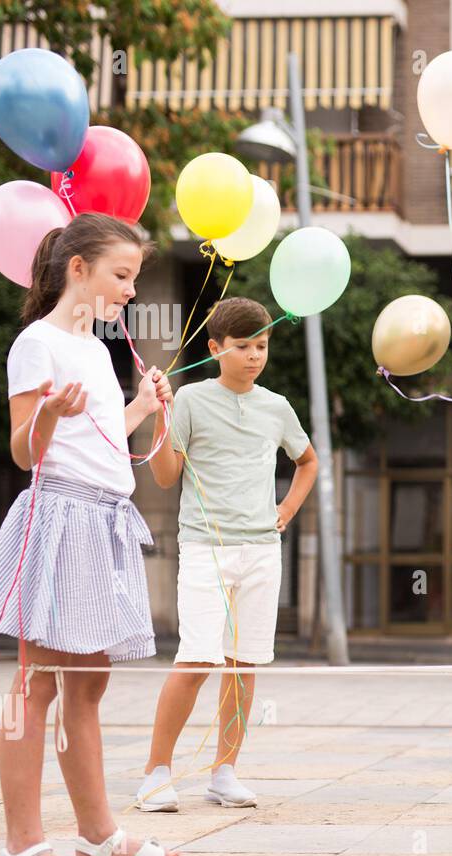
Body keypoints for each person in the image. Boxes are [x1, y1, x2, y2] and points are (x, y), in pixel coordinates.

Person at [0, 212, 180, 856]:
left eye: (136, 278)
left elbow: (101, 438)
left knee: (87, 683)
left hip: (103, 518)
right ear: (77, 269)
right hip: (59, 516)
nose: (131, 291)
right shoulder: (37, 343)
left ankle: (97, 834)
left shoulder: (94, 346)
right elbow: (25, 449)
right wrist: (50, 415)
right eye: (122, 275)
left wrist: (141, 408)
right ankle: (22, 850)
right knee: (37, 685)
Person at [136, 297, 316, 812]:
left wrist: (285, 510)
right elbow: (166, 476)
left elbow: (307, 462)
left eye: (262, 345)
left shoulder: (277, 406)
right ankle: (156, 774)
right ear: (216, 348)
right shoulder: (189, 399)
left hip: (262, 549)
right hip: (205, 548)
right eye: (243, 346)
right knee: (195, 660)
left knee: (244, 665)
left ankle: (225, 772)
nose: (254, 355)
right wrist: (161, 415)